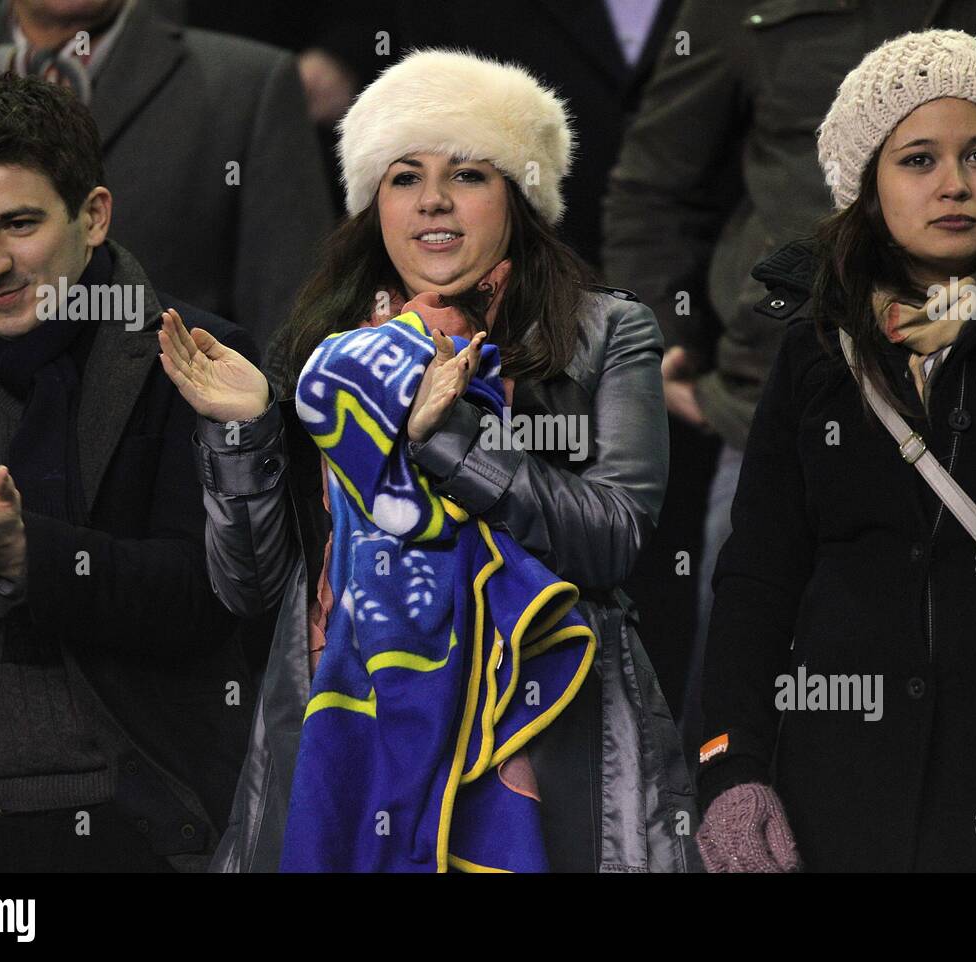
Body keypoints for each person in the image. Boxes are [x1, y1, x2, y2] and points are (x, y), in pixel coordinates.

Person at [162, 49, 699, 872]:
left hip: (543, 742)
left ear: (519, 196)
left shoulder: (605, 332)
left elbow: (613, 538)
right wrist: (245, 432)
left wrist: (446, 441)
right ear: (373, 202)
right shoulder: (321, 353)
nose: (433, 200)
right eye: (404, 176)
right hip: (343, 742)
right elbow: (249, 586)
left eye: (468, 174)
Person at [602, 0, 976, 757]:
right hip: (782, 385)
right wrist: (660, 337)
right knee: (748, 628)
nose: (954, 185)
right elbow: (656, 184)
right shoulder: (810, 351)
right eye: (917, 160)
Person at [0, 75, 260, 872]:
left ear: (93, 215)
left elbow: (217, 602)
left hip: (146, 821)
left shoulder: (199, 362)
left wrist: (30, 557)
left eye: (18, 224)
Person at [0, 0, 333, 363]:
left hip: (187, 438)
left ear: (97, 213)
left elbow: (294, 325)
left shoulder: (246, 88)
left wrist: (250, 437)